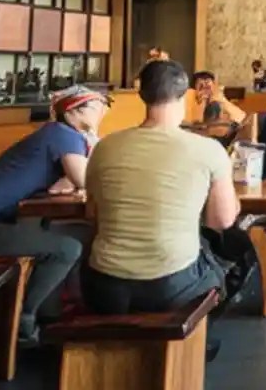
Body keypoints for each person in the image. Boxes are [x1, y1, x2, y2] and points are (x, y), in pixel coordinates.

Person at [0, 86, 107, 345]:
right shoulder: (64, 134)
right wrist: (94, 148)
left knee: (67, 239)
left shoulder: (59, 135)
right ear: (71, 112)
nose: (101, 112)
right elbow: (85, 180)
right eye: (94, 106)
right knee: (67, 249)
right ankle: (22, 321)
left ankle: (47, 313)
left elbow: (58, 187)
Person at [81, 61, 237, 328]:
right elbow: (220, 221)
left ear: (142, 95)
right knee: (222, 271)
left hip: (102, 285)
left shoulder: (104, 147)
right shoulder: (209, 150)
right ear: (184, 95)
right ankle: (194, 342)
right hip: (169, 287)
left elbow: (92, 213)